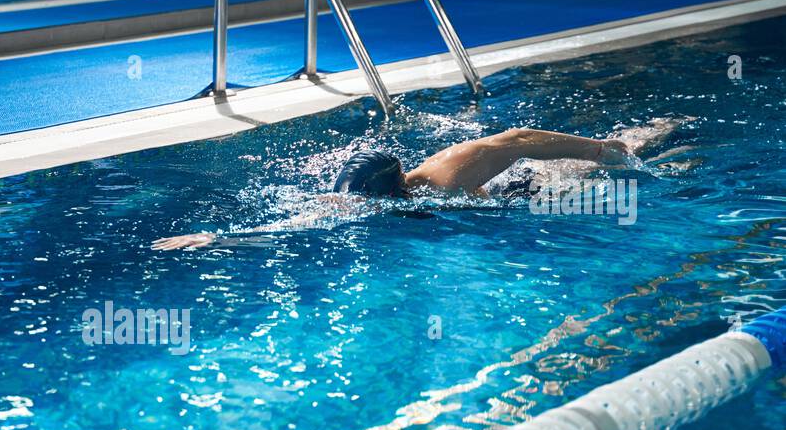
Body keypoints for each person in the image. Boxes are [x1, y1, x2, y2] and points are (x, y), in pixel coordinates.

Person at [151, 120, 685, 251]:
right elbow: (303, 222)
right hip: (493, 203)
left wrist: (597, 150)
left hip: (524, 183)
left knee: (625, 158)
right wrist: (218, 238)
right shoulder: (366, 197)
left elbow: (519, 137)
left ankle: (659, 134)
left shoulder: (448, 171)